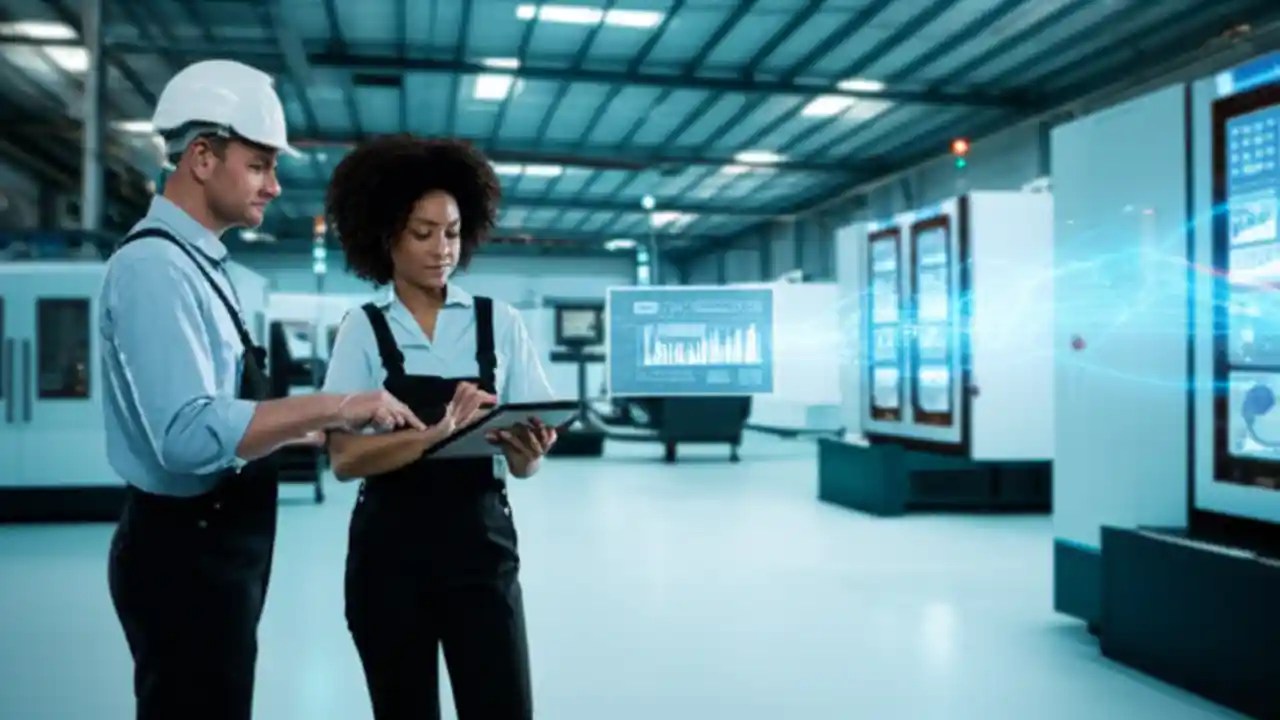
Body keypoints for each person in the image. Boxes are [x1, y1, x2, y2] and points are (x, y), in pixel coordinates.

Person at [100, 60, 426, 720]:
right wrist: (337, 403)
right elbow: (190, 436)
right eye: (258, 165)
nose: (275, 186)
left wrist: (319, 430)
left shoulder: (200, 264)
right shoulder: (156, 269)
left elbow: (227, 410)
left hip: (215, 544)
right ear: (201, 156)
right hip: (185, 552)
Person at [321, 134, 559, 719]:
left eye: (451, 232)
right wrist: (433, 436)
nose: (441, 249)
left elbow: (528, 462)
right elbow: (346, 459)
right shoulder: (363, 329)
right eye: (422, 233)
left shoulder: (498, 322)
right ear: (385, 236)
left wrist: (529, 454)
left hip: (481, 552)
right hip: (388, 560)